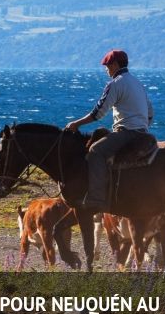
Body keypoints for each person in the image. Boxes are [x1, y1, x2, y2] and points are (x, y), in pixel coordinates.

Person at [64, 49, 155, 211]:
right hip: (143, 133)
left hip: (127, 133)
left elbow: (98, 113)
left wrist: (76, 124)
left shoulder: (115, 84)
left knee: (95, 152)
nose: (106, 69)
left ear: (115, 64)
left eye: (107, 65)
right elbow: (150, 114)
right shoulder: (137, 83)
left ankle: (96, 199)